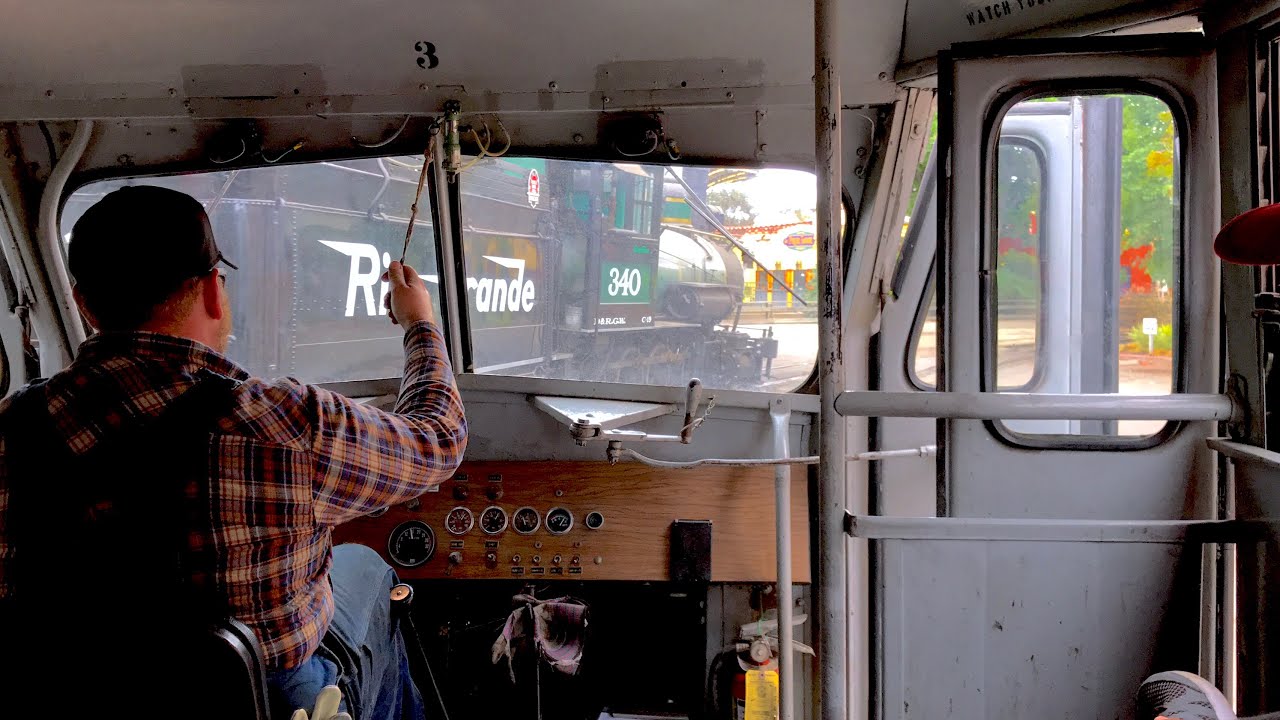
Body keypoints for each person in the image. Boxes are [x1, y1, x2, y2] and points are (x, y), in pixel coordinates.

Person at [0, 185, 467, 718]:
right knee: (371, 571)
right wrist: (419, 325)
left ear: (83, 304)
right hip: (264, 698)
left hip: (76, 694)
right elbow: (440, 438)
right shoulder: (285, 423)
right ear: (212, 292)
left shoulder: (16, 427)